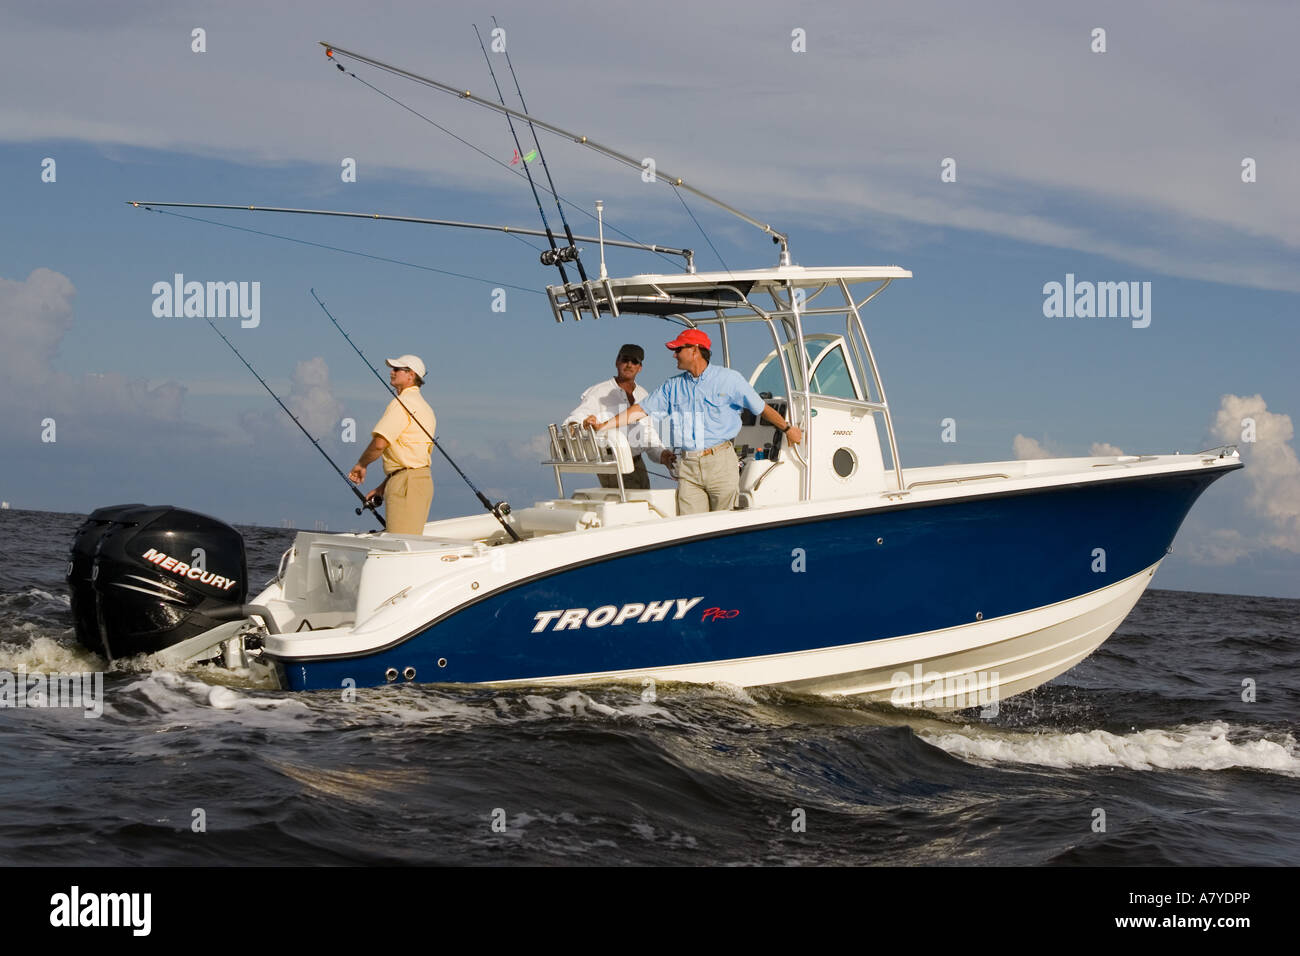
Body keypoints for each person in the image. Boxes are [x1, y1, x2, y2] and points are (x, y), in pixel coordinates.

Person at [594, 329, 802, 514]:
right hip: (687, 467)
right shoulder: (672, 386)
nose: (674, 354)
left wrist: (788, 429)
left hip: (720, 463)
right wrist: (604, 426)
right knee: (690, 528)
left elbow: (762, 409)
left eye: (678, 350)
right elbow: (639, 410)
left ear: (694, 350)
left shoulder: (730, 379)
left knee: (723, 527)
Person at [348, 354, 436, 535]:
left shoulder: (402, 403)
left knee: (399, 544)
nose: (391, 372)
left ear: (411, 375)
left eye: (396, 369)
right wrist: (382, 488)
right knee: (407, 539)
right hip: (419, 482)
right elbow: (412, 457)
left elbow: (380, 443)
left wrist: (361, 465)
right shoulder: (426, 408)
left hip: (406, 484)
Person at [566, 344, 663, 490]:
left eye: (635, 361)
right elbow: (575, 419)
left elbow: (649, 435)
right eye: (625, 359)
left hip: (638, 465)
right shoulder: (599, 391)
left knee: (643, 507)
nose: (629, 364)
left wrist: (664, 456)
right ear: (617, 362)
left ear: (640, 367)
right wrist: (582, 425)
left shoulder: (643, 394)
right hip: (612, 464)